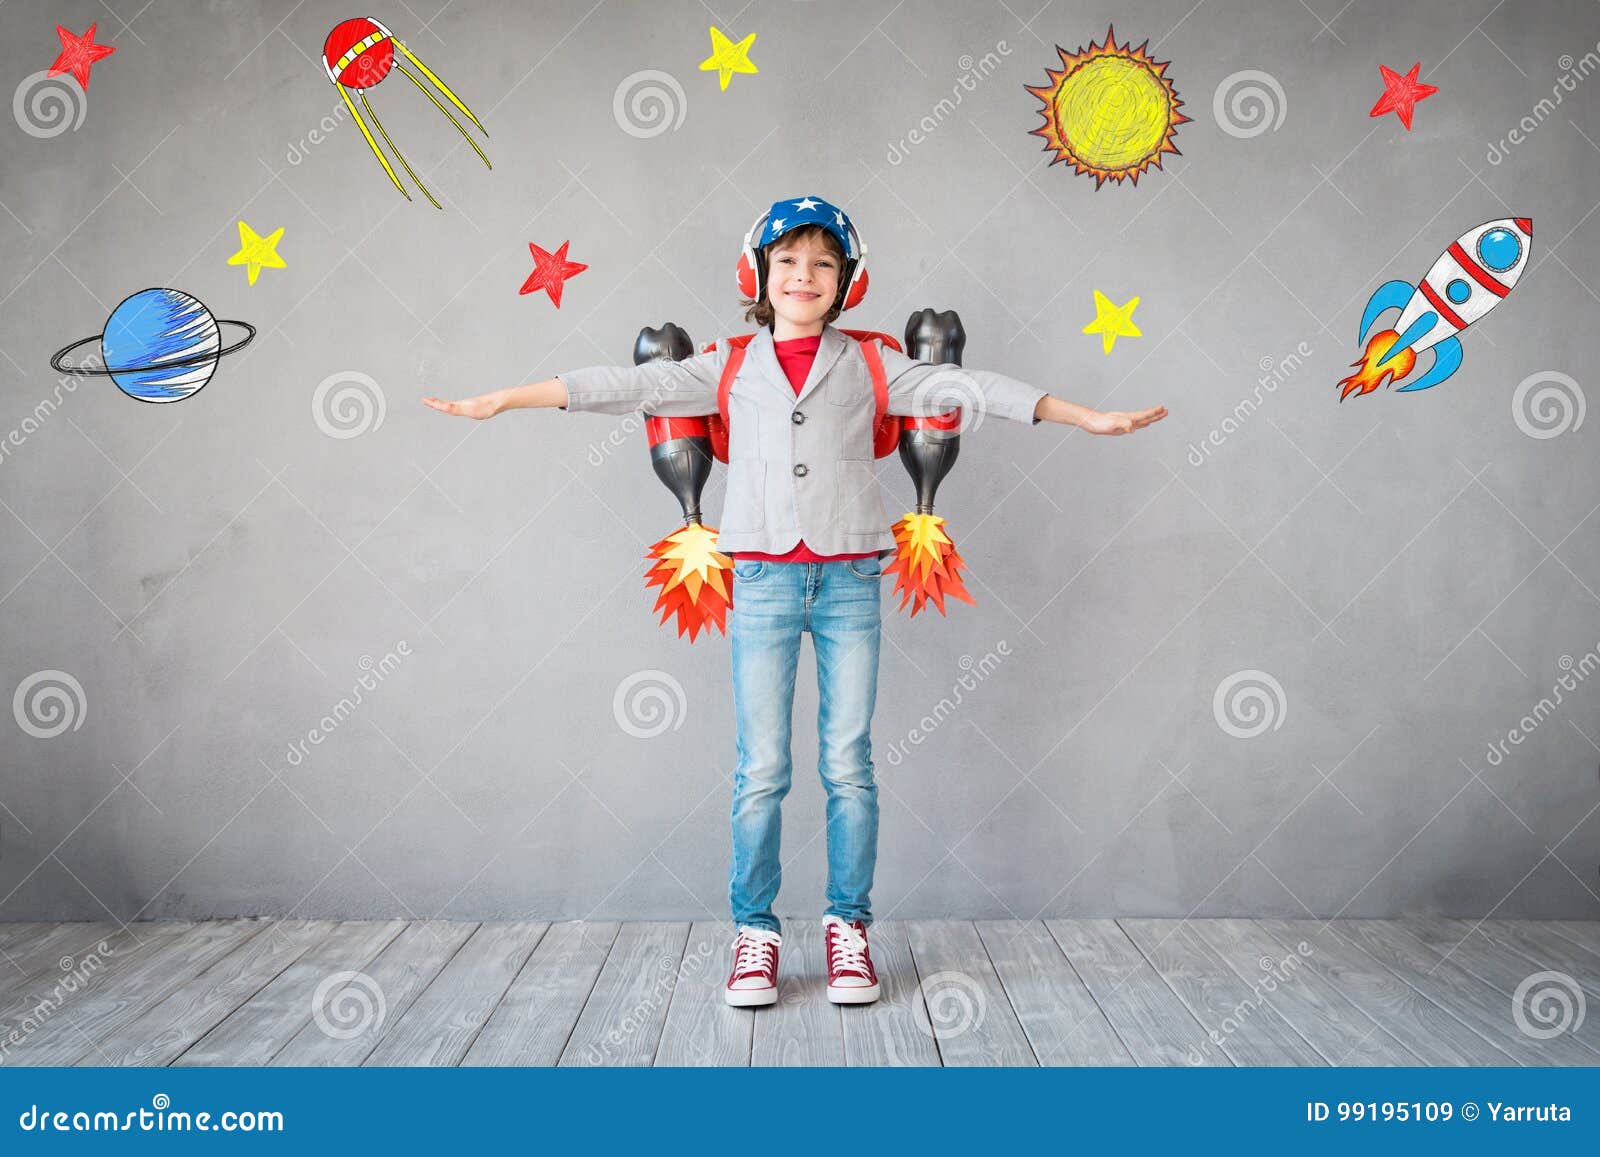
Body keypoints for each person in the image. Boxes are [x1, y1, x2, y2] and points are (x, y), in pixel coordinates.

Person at [422, 195, 1166, 1008]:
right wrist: (506, 398)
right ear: (760, 275)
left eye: (822, 263)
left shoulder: (874, 363)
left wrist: (1083, 414)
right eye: (788, 262)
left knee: (849, 764)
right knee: (762, 769)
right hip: (765, 581)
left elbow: (968, 384)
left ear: (846, 279)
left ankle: (849, 930)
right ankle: (757, 934)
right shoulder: (728, 363)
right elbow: (626, 385)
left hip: (850, 580)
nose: (803, 276)